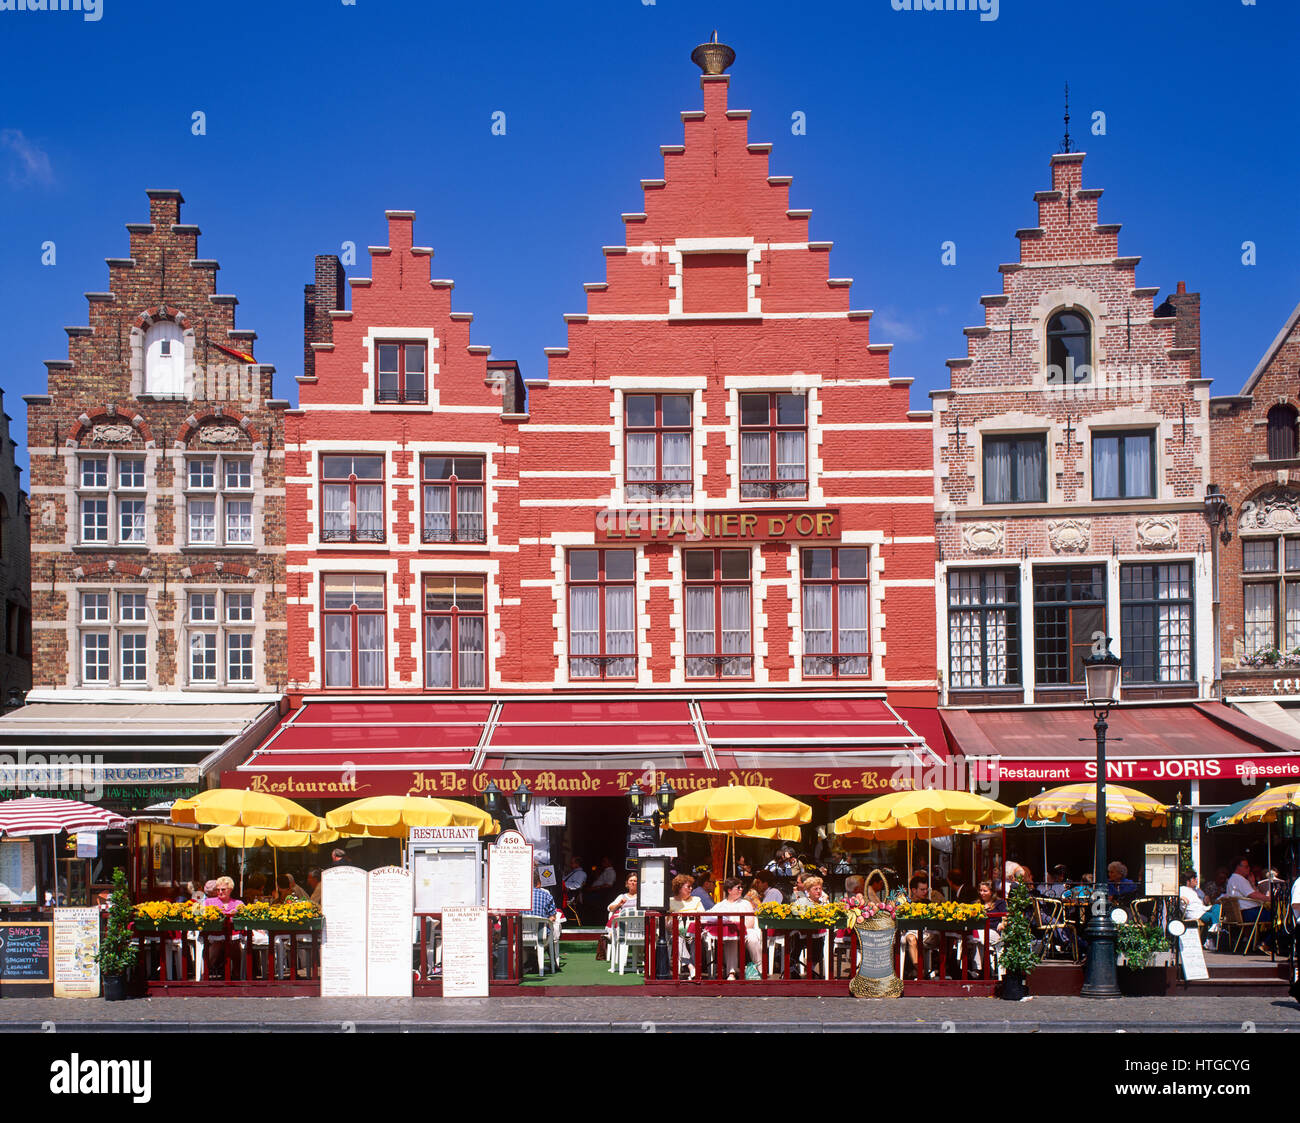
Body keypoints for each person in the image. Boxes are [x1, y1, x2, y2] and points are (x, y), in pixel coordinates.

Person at [706, 877, 759, 980]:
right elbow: (709, 916)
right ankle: (731, 972)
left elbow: (751, 922)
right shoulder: (720, 905)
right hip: (730, 933)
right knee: (730, 938)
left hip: (746, 930)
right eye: (738, 887)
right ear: (729, 890)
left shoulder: (745, 903)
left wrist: (739, 928)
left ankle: (759, 968)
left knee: (753, 937)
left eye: (741, 887)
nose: (741, 890)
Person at [902, 874, 943, 979]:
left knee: (941, 937)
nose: (925, 892)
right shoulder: (906, 904)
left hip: (927, 934)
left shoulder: (929, 904)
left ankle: (937, 970)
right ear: (914, 890)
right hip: (911, 933)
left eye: (926, 889)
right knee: (911, 939)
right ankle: (920, 971)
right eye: (922, 889)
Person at [965, 878, 1005, 975]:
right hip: (980, 932)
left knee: (976, 938)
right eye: (981, 890)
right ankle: (976, 971)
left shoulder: (999, 903)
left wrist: (1002, 923)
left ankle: (977, 970)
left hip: (994, 932)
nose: (982, 893)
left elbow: (1006, 917)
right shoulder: (976, 904)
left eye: (985, 891)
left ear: (992, 892)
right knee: (976, 940)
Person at [669, 874, 705, 976]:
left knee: (695, 938)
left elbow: (702, 915)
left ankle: (692, 967)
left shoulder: (696, 900)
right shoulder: (670, 901)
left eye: (691, 886)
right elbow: (667, 923)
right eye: (688, 886)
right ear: (679, 887)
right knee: (678, 938)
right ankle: (691, 966)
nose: (691, 889)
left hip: (694, 930)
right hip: (677, 931)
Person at [1222, 856, 1270, 920]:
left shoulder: (1233, 878)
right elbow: (1253, 895)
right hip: (1249, 912)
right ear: (1238, 867)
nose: (1249, 869)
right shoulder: (1239, 879)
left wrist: (1252, 883)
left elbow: (1252, 893)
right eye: (1246, 867)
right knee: (1275, 915)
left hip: (1244, 913)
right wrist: (1269, 898)